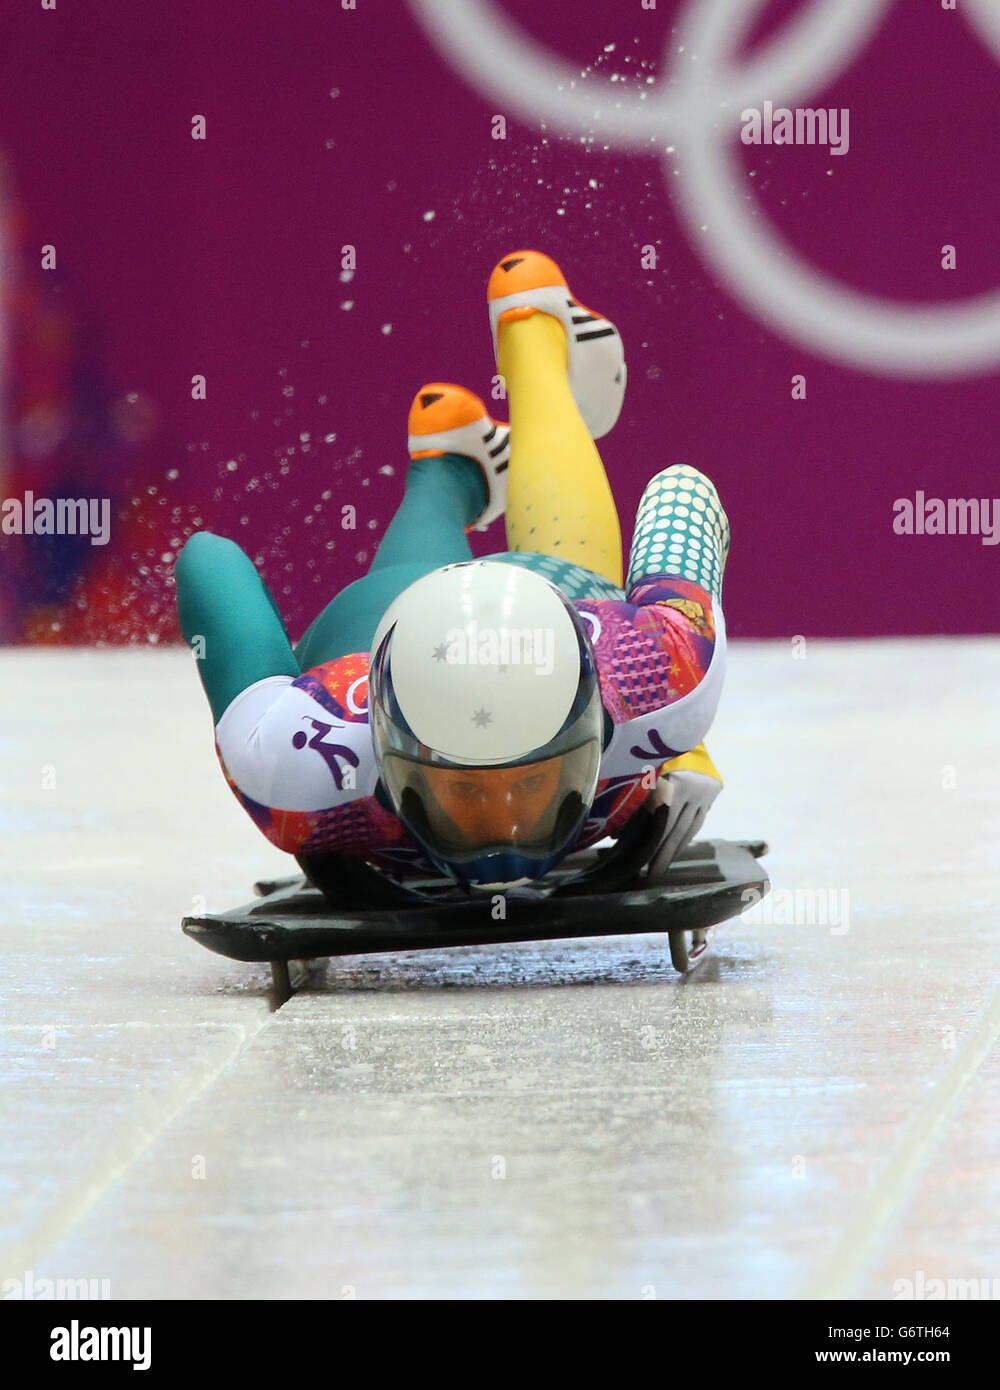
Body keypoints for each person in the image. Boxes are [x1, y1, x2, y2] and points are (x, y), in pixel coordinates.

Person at [176, 251, 730, 892]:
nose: (503, 826)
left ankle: (490, 406)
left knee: (540, 572)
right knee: (521, 570)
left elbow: (208, 558)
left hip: (388, 621)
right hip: (377, 636)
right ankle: (488, 402)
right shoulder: (666, 682)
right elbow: (680, 489)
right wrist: (677, 748)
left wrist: (681, 742)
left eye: (530, 783)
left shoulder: (657, 674)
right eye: (464, 789)